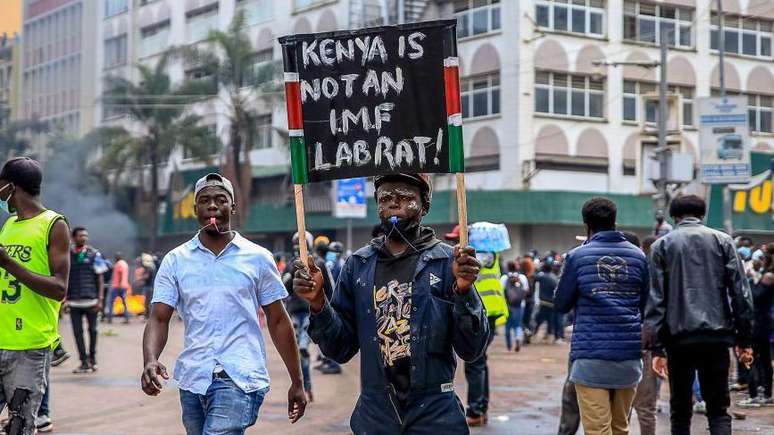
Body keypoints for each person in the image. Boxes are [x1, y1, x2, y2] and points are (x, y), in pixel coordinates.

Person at [293, 173, 488, 434]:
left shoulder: (447, 263)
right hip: (376, 414)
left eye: (406, 197)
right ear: (377, 206)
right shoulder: (358, 266)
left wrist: (464, 290)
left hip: (436, 414)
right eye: (385, 198)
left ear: (425, 206)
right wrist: (318, 303)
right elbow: (339, 349)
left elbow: (472, 348)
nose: (394, 203)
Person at [141, 173, 306, 434]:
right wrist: (150, 359)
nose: (213, 206)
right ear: (195, 209)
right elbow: (159, 317)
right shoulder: (175, 260)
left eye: (221, 199)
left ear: (233, 206)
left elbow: (277, 320)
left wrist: (298, 381)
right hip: (193, 379)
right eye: (204, 200)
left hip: (239, 376)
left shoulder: (258, 258)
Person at [645, 194, 754, 435]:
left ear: (674, 216)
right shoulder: (723, 241)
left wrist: (657, 348)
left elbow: (655, 301)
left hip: (677, 340)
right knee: (718, 409)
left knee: (680, 410)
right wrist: (744, 339)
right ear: (702, 215)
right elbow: (741, 294)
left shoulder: (661, 246)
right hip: (716, 338)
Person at [554, 197, 649, 435]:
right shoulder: (638, 257)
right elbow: (648, 307)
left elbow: (561, 304)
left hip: (590, 359)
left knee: (598, 430)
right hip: (628, 359)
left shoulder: (577, 257)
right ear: (615, 221)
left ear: (586, 224)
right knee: (620, 428)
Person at [0, 157, 70, 435]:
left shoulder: (54, 224)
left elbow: (59, 288)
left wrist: (8, 263)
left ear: (10, 187)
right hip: (1, 338)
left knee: (19, 427)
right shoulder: (9, 226)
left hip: (29, 347)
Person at [282, 231, 336, 401]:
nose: (298, 246)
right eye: (296, 242)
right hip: (296, 312)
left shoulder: (319, 264)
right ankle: (306, 386)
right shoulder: (292, 265)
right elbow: (284, 289)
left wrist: (328, 309)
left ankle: (306, 348)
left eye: (302, 242)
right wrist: (290, 277)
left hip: (313, 312)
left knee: (303, 347)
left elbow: (331, 289)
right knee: (300, 352)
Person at [465, 248, 508, 426]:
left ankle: (476, 411)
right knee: (480, 362)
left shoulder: (480, 256)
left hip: (480, 312)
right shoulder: (493, 255)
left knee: (474, 362)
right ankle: (481, 408)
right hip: (488, 312)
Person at [737, 247, 774, 407]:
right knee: (765, 359)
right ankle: (765, 392)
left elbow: (755, 295)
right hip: (764, 322)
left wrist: (751, 279)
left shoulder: (768, 276)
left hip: (759, 322)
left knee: (752, 357)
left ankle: (754, 394)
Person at [630, 235, 660, 435]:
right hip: (645, 342)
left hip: (623, 343)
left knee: (619, 407)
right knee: (646, 406)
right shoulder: (651, 271)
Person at [67, 227, 104, 373]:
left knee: (93, 331)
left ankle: (93, 359)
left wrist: (100, 299)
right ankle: (83, 362)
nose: (84, 238)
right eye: (81, 235)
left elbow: (100, 278)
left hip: (92, 301)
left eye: (85, 235)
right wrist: (64, 299)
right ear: (73, 238)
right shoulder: (68, 254)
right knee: (77, 333)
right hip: (73, 301)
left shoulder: (95, 254)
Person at [502, 260, 528, 352]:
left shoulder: (504, 278)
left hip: (507, 305)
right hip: (520, 305)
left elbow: (501, 292)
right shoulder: (522, 277)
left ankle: (509, 346)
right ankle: (518, 337)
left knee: (507, 326)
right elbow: (526, 290)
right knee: (518, 325)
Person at [533, 258, 561, 342]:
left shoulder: (542, 276)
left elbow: (533, 277)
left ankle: (534, 334)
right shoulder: (554, 277)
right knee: (550, 320)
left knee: (539, 319)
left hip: (543, 302)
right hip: (552, 302)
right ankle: (549, 336)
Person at [107, 252, 130, 324]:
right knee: (124, 302)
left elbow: (120, 274)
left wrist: (120, 284)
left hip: (117, 286)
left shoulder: (119, 264)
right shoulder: (125, 264)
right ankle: (127, 318)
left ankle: (110, 318)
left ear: (117, 257)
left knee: (110, 302)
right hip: (124, 285)